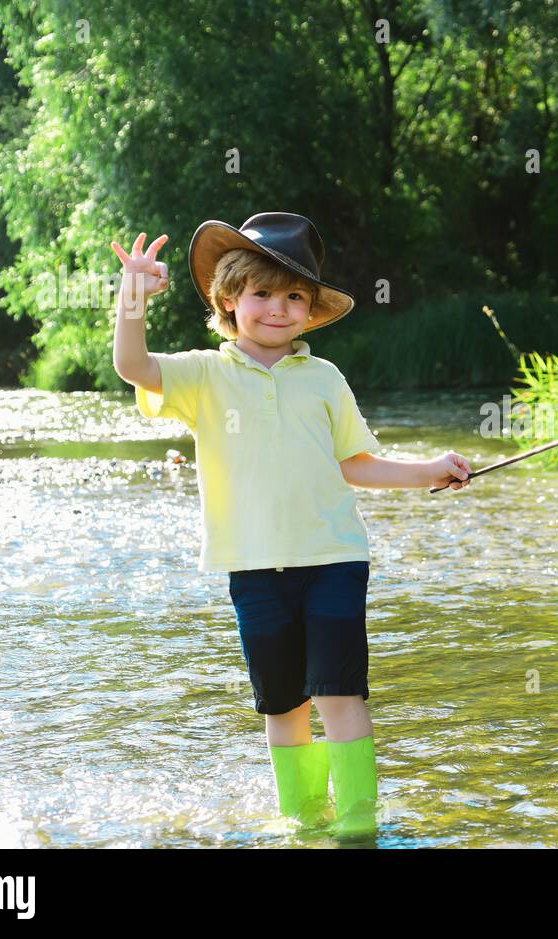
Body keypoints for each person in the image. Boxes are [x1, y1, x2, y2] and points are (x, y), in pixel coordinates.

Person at [110, 212, 472, 839]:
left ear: (310, 309)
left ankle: (357, 824)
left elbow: (357, 465)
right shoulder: (203, 375)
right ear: (229, 300)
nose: (278, 309)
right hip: (253, 567)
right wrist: (132, 301)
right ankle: (305, 821)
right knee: (283, 703)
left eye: (294, 296)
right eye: (262, 294)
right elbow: (133, 367)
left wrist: (430, 470)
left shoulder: (325, 379)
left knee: (341, 695)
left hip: (333, 559)